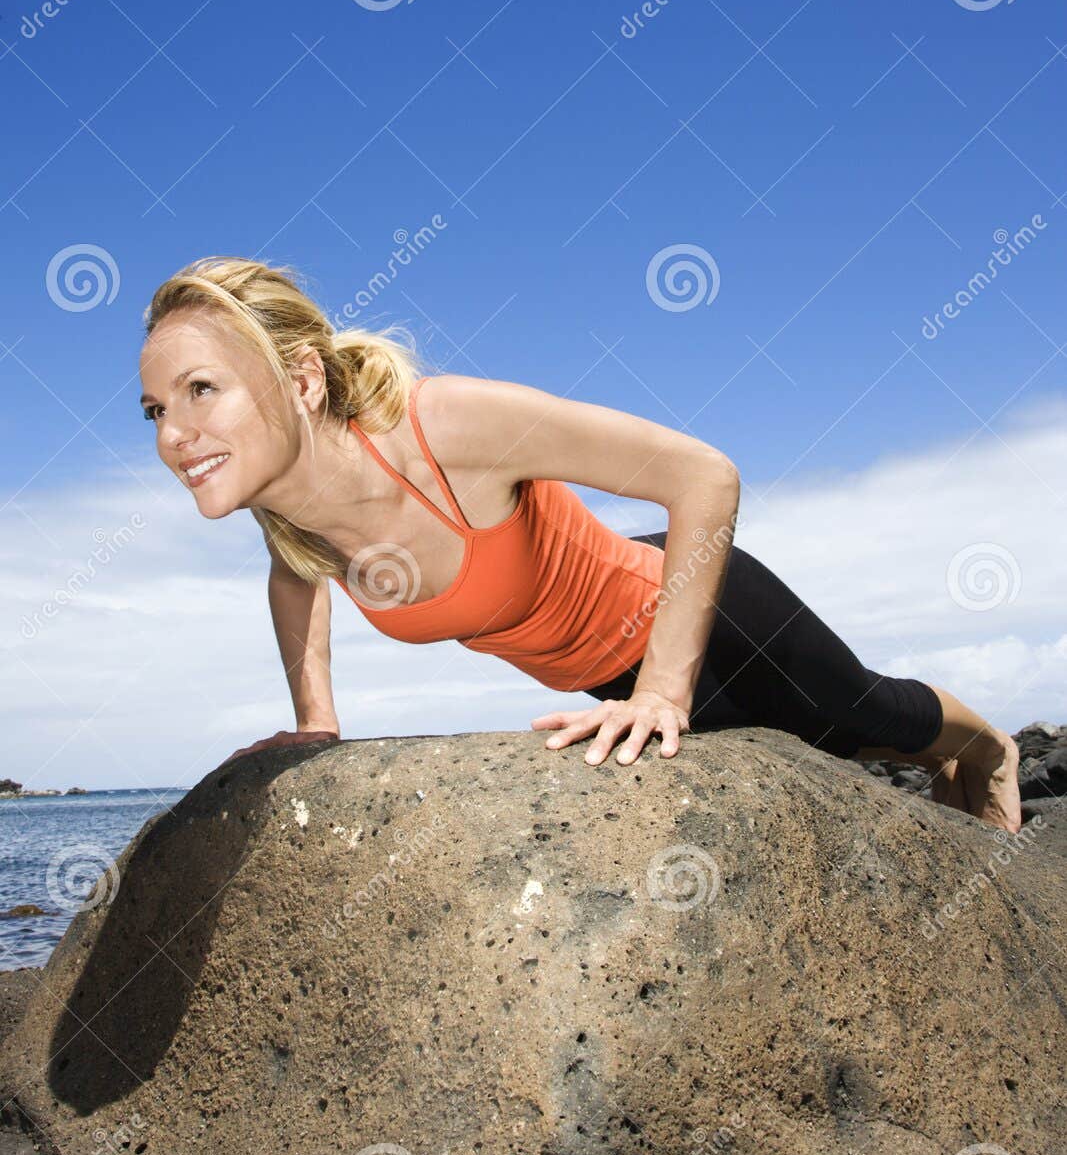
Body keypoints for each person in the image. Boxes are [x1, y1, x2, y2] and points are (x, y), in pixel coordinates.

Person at [139, 256, 1021, 834]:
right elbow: (296, 583)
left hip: (698, 614)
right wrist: (316, 722)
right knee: (825, 756)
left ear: (298, 379)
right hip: (605, 676)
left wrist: (662, 693)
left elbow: (703, 476)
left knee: (870, 715)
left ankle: (986, 748)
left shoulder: (441, 428)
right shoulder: (292, 515)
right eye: (155, 411)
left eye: (200, 390)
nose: (174, 435)